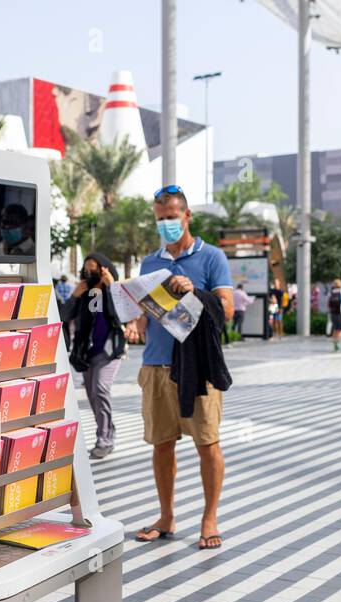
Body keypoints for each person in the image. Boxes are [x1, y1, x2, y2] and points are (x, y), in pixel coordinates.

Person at [131, 184, 233, 551]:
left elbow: (227, 309)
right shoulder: (150, 262)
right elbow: (146, 311)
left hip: (198, 367)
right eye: (160, 220)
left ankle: (209, 518)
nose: (166, 226)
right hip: (156, 364)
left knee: (208, 444)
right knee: (161, 445)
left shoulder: (212, 258)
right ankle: (166, 515)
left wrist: (194, 290)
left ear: (187, 216)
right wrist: (135, 321)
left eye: (172, 218)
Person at [68, 253, 125, 459]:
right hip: (87, 353)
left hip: (108, 352)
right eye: (86, 269)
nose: (89, 272)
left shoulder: (114, 292)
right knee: (92, 395)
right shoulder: (87, 295)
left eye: (93, 269)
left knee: (100, 389)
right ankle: (107, 429)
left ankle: (105, 438)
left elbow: (119, 315)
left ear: (104, 270)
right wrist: (74, 296)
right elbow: (65, 316)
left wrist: (111, 288)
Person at [327, 278, 341, 352]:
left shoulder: (331, 293)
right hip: (340, 314)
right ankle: (336, 343)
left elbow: (328, 304)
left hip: (332, 313)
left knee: (335, 329)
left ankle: (335, 345)